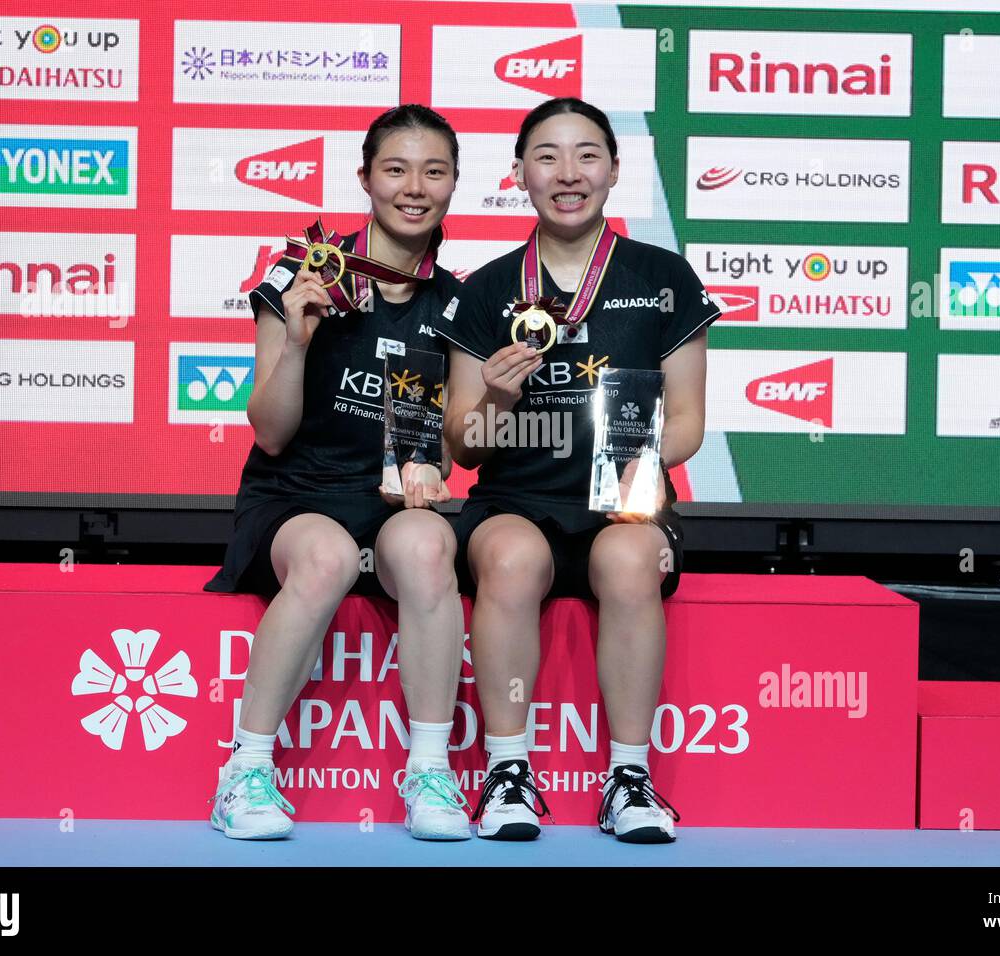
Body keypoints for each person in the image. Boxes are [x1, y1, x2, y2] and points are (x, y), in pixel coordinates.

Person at [436, 97, 719, 843]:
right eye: (548, 156)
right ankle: (508, 774)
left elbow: (687, 419)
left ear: (615, 170)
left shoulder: (664, 277)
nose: (569, 173)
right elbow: (464, 444)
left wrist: (638, 470)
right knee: (509, 556)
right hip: (514, 502)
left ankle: (629, 778)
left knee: (628, 560)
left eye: (588, 155)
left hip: (624, 502)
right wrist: (496, 396)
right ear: (520, 173)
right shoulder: (488, 289)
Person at [203, 104, 470, 841]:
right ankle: (245, 770)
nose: (414, 186)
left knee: (426, 545)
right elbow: (272, 430)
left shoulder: (459, 303)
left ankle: (429, 771)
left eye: (434, 170)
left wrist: (431, 469)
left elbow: (449, 445)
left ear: (453, 184)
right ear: (365, 178)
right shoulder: (303, 272)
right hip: (295, 495)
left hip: (386, 501)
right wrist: (296, 338)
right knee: (321, 557)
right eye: (395, 169)